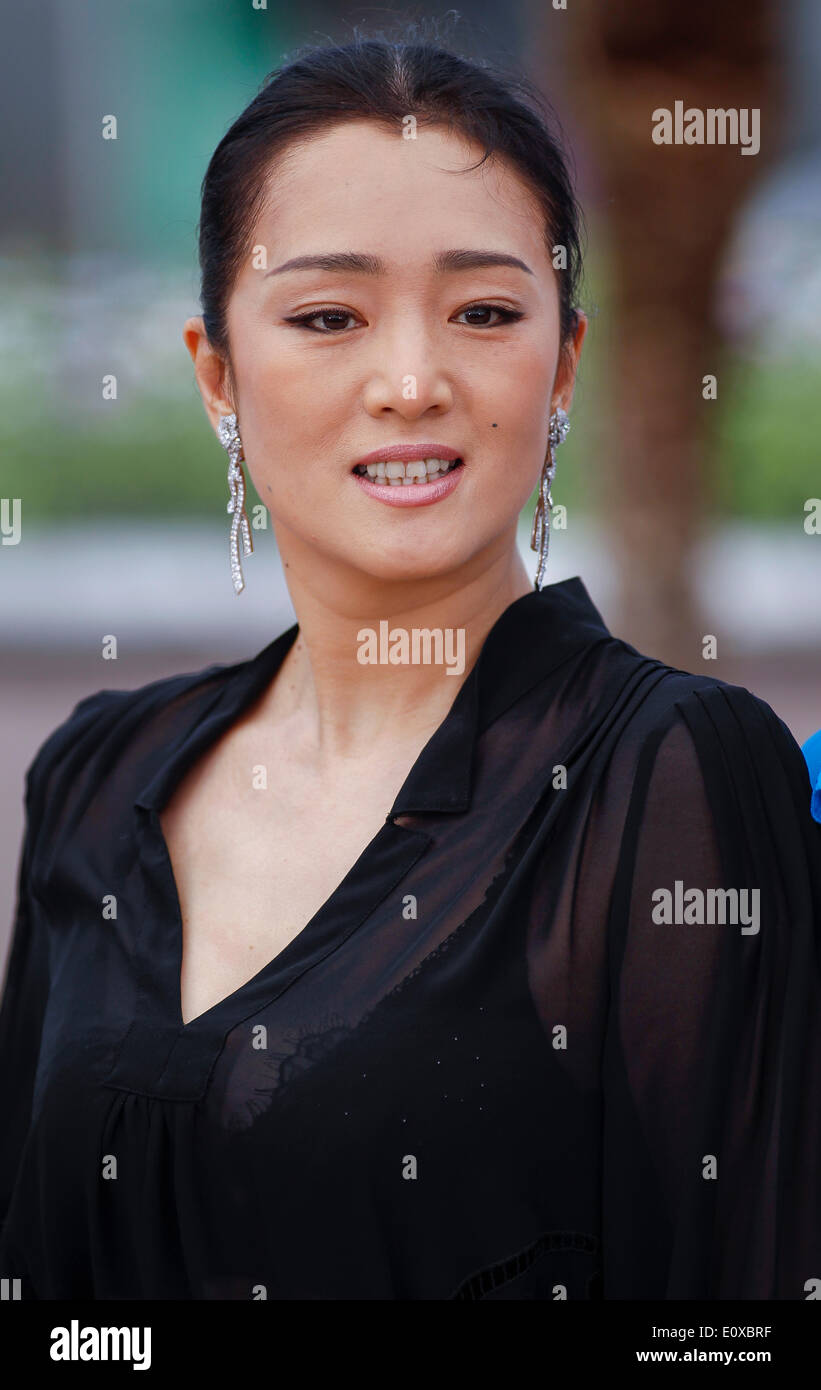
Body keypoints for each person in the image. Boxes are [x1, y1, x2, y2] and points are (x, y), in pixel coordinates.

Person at [1, 31, 820, 1302]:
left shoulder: (665, 779)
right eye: (327, 315)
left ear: (561, 366)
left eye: (484, 313)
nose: (410, 381)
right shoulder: (96, 775)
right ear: (216, 373)